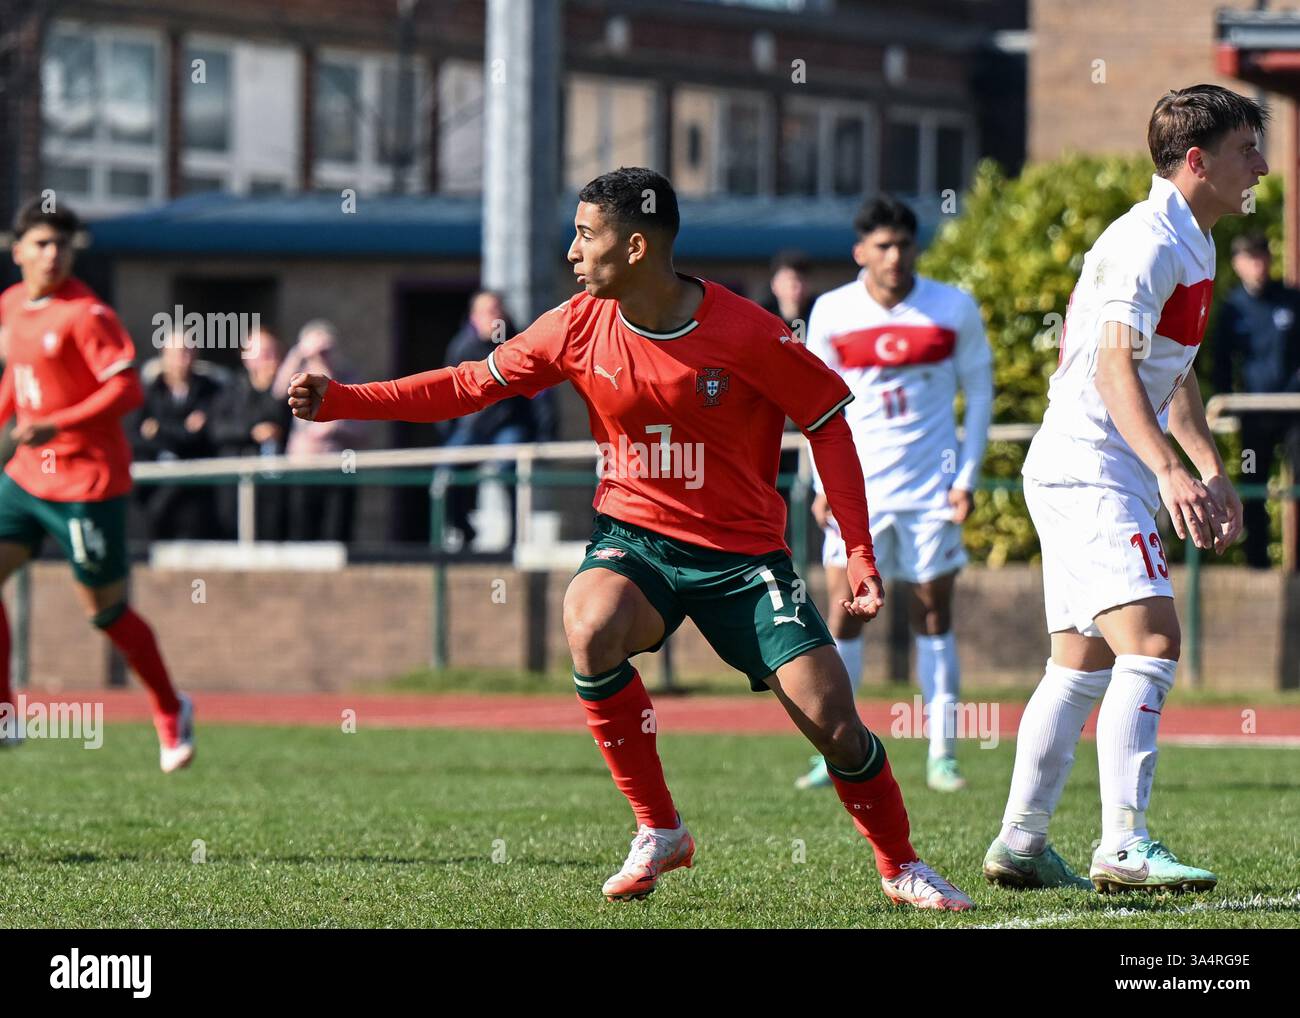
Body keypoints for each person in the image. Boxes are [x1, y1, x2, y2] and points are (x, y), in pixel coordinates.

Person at [288, 167, 974, 912]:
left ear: (638, 246)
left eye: (587, 234)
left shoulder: (747, 331)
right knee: (589, 622)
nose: (573, 251)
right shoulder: (576, 323)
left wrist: (860, 550)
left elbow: (828, 423)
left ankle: (901, 865)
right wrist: (346, 401)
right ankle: (659, 828)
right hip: (636, 539)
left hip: (744, 559)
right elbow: (467, 385)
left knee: (836, 726)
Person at [984, 85, 1266, 893]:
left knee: (1078, 668)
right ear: (1197, 160)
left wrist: (1208, 465)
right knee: (1153, 643)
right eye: (1248, 149)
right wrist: (1170, 472)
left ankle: (1022, 841)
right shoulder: (1144, 241)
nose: (1263, 166)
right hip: (1090, 469)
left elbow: (1169, 375)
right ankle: (1124, 845)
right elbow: (1113, 367)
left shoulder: (1192, 240)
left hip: (1094, 468)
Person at [799, 196, 993, 793]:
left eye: (904, 244)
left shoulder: (952, 306)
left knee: (932, 614)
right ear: (861, 251)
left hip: (932, 490)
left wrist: (965, 478)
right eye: (882, 245)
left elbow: (980, 394)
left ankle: (942, 754)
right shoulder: (832, 311)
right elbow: (813, 404)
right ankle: (835, 750)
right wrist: (821, 480)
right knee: (844, 615)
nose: (894, 256)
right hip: (857, 492)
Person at [0, 197, 194, 769]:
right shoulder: (11, 305)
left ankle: (169, 707)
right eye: (41, 243)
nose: (53, 254)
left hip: (87, 482)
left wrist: (58, 423)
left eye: (62, 244)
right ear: (18, 252)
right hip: (26, 479)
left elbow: (128, 390)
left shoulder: (88, 315)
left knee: (106, 613)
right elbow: (18, 378)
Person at [437, 290, 557, 549]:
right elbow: (447, 391)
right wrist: (446, 429)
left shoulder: (519, 343)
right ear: (473, 317)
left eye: (496, 311)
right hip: (473, 425)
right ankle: (464, 530)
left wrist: (545, 432)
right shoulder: (462, 346)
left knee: (508, 470)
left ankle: (515, 540)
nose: (491, 318)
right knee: (444, 473)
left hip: (509, 423)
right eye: (485, 312)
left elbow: (542, 393)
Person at [1212, 232, 1300, 567]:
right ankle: (1257, 567)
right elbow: (1221, 362)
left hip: (1294, 415)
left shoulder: (1291, 301)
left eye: (1262, 256)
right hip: (1253, 417)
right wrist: (1228, 403)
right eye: (1250, 258)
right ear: (1237, 264)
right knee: (1253, 486)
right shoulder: (1232, 309)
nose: (1257, 265)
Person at [275, 321, 364, 542]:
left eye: (326, 350)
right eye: (318, 352)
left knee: (337, 528)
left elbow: (364, 426)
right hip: (303, 464)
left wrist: (336, 427)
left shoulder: (348, 376)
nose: (322, 356)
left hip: (340, 463)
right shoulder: (298, 376)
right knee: (303, 527)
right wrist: (299, 352)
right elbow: (276, 392)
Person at [132, 339, 223, 539]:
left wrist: (160, 429)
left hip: (196, 482)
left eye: (188, 352)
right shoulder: (150, 390)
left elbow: (204, 435)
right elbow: (137, 434)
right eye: (177, 353)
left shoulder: (209, 389)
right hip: (156, 485)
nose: (183, 359)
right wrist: (182, 430)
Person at [209, 328, 292, 540]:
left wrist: (274, 391)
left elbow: (287, 424)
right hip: (235, 476)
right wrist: (250, 431)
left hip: (274, 479)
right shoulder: (230, 389)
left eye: (273, 353)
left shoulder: (285, 389)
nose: (269, 360)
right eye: (263, 353)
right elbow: (217, 429)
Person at [761, 249, 818, 332]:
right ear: (774, 284)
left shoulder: (820, 313)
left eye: (802, 280)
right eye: (789, 280)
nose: (797, 286)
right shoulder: (763, 316)